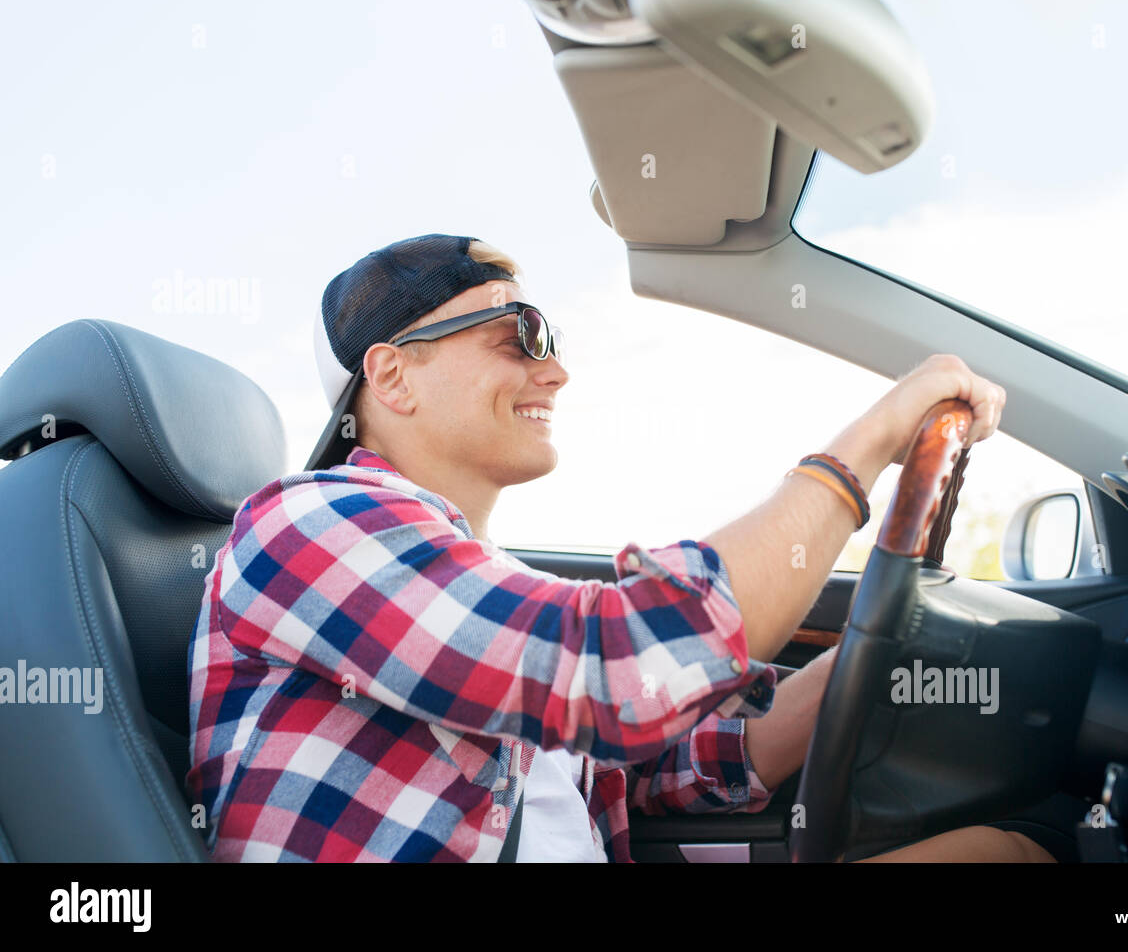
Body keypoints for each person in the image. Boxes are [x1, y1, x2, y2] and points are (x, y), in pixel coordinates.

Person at [186, 233, 1050, 863]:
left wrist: (858, 668)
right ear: (391, 376)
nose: (554, 370)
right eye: (519, 334)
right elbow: (617, 664)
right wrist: (869, 444)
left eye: (553, 342)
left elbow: (655, 759)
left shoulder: (480, 584)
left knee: (1005, 853)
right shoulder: (306, 524)